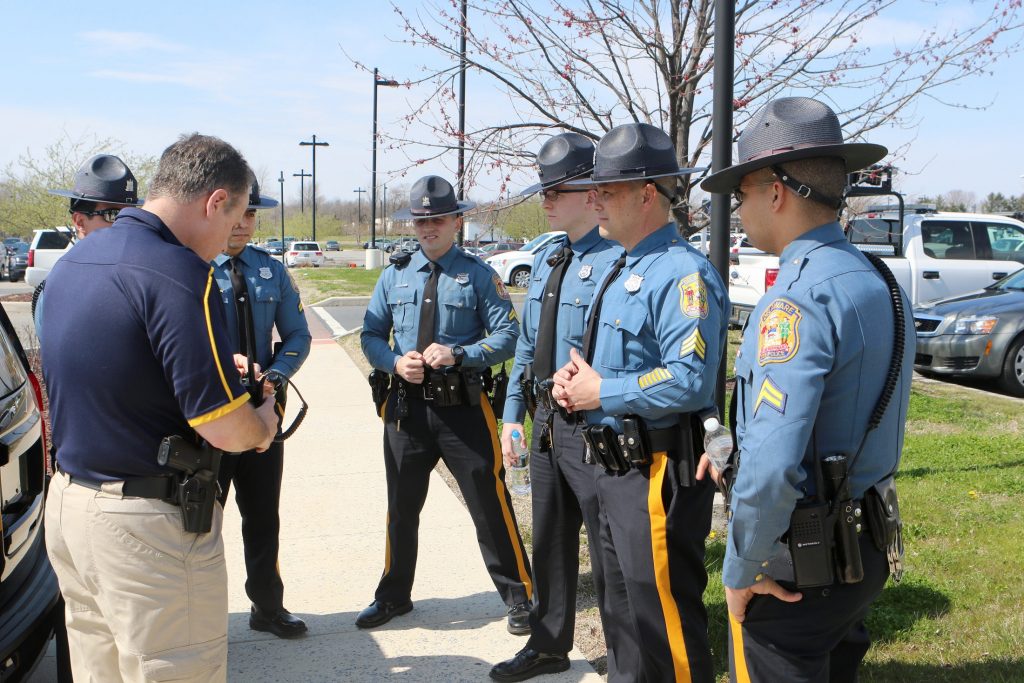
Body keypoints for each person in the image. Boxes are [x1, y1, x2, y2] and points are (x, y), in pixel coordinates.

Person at [42, 133, 280, 682]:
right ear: (215, 201)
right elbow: (224, 428)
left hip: (72, 507)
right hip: (144, 527)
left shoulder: (78, 261)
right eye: (235, 216)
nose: (228, 239)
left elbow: (117, 375)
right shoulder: (177, 273)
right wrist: (262, 426)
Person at [699, 97, 915, 682]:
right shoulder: (877, 279)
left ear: (776, 191)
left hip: (799, 565)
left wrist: (741, 568)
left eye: (740, 193)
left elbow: (772, 470)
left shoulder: (795, 299)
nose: (738, 209)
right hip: (863, 545)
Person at [552, 122, 727, 683]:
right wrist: (575, 379)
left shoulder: (681, 273)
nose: (595, 200)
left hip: (654, 472)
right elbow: (618, 365)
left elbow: (690, 380)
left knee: (665, 625)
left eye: (608, 189)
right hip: (613, 469)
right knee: (622, 619)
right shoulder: (625, 266)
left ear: (648, 193)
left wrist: (603, 391)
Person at [359, 175, 534, 634]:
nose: (427, 227)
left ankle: (519, 596)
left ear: (456, 221)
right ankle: (394, 596)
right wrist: (395, 363)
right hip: (405, 408)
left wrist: (461, 354)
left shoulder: (478, 276)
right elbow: (371, 335)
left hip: (462, 408)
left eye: (437, 219)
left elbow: (509, 336)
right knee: (402, 507)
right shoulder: (394, 273)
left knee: (488, 504)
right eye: (420, 220)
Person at [490, 133, 632, 682]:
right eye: (544, 188)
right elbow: (529, 346)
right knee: (548, 540)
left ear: (593, 191)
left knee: (609, 555)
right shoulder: (551, 257)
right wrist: (511, 417)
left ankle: (626, 660)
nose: (546, 198)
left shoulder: (620, 260)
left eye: (558, 188)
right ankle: (549, 644)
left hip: (595, 431)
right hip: (547, 424)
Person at [211, 177, 312, 638]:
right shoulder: (194, 268)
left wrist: (274, 377)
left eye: (252, 213)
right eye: (239, 212)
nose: (244, 223)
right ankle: (204, 616)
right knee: (202, 520)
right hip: (209, 413)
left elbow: (297, 335)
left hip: (263, 410)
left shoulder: (270, 270)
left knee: (262, 514)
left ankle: (267, 608)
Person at [34, 153, 143, 337]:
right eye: (113, 215)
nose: (126, 224)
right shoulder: (56, 289)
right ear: (80, 222)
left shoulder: (140, 278)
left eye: (131, 215)